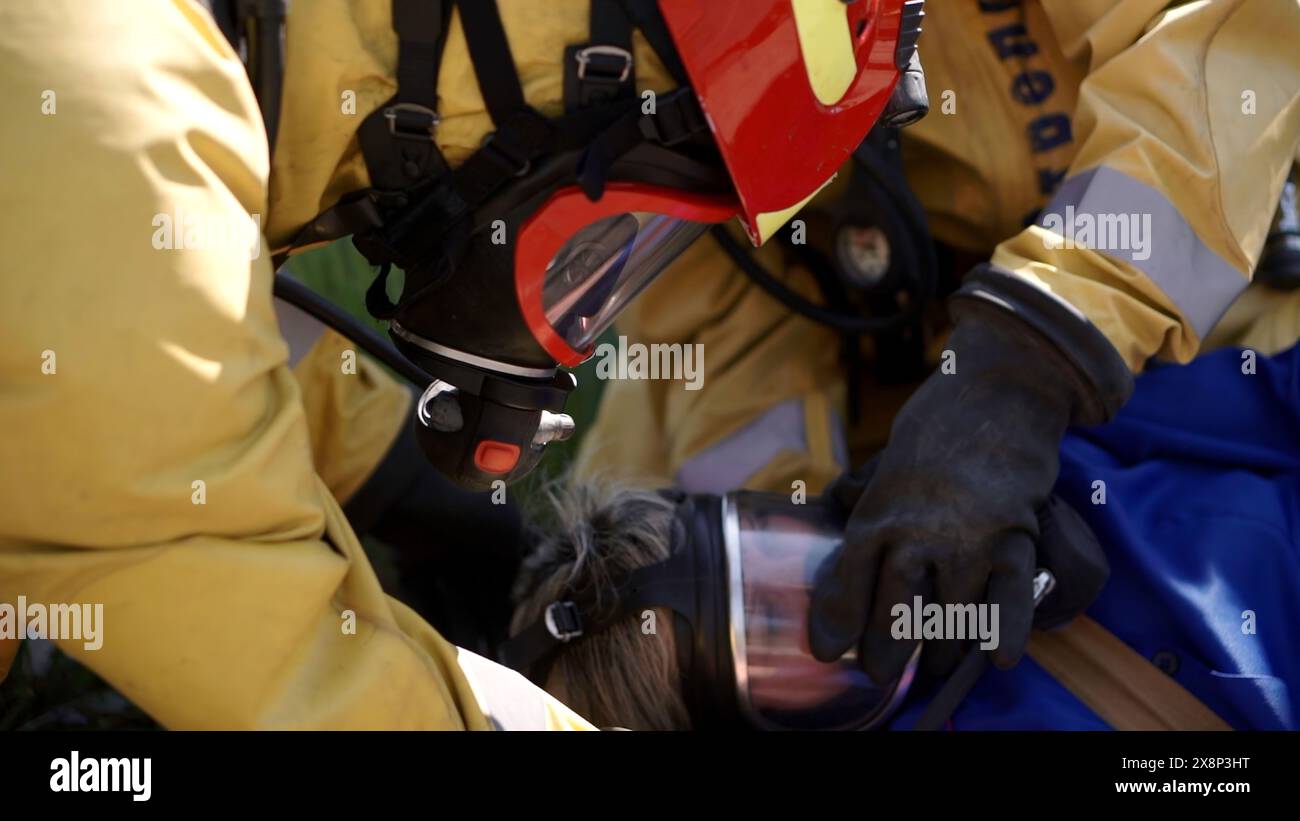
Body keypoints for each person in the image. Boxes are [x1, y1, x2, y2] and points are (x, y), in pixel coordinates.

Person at [0, 0, 907, 728]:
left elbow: (199, 336)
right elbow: (211, 572)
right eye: (613, 213)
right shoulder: (111, 98)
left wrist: (390, 469)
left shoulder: (185, 77)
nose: (577, 310)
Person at [575, 0, 1300, 686]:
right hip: (803, 406)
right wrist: (801, 565)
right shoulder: (607, 36)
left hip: (1198, 325)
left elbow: (1224, 40)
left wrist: (1032, 362)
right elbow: (715, 292)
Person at [512, 342, 1300, 729]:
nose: (821, 592)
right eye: (774, 635)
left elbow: (1276, 395)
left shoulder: (1032, 455)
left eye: (774, 546)